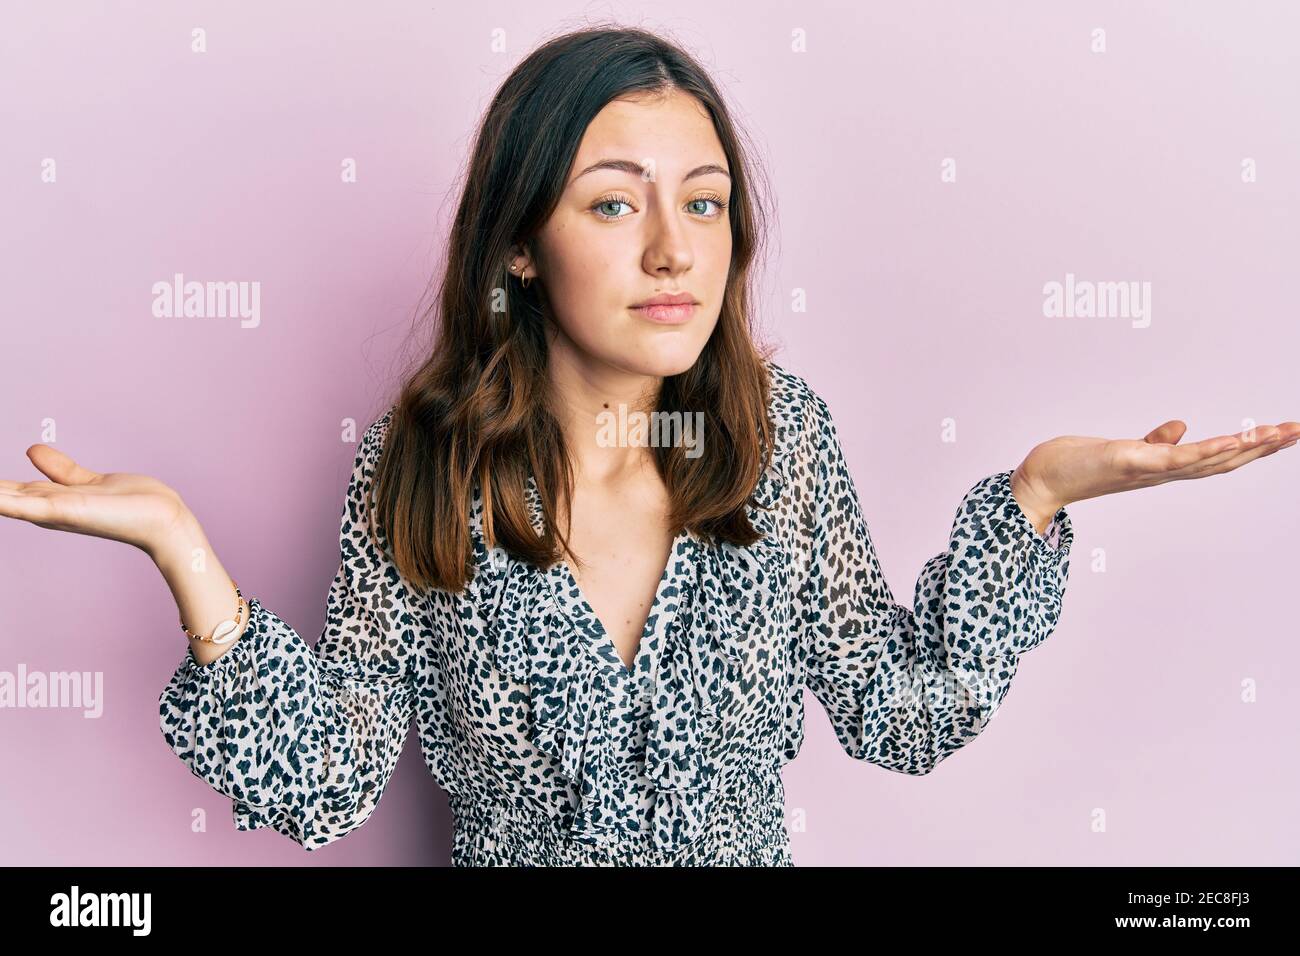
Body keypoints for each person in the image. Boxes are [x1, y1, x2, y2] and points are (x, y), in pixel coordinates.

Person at [2, 26, 1295, 867]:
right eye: (614, 201)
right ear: (520, 242)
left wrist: (1033, 500)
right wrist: (181, 550)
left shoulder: (781, 447)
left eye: (707, 203)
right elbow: (331, 780)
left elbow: (901, 717)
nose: (676, 249)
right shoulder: (426, 465)